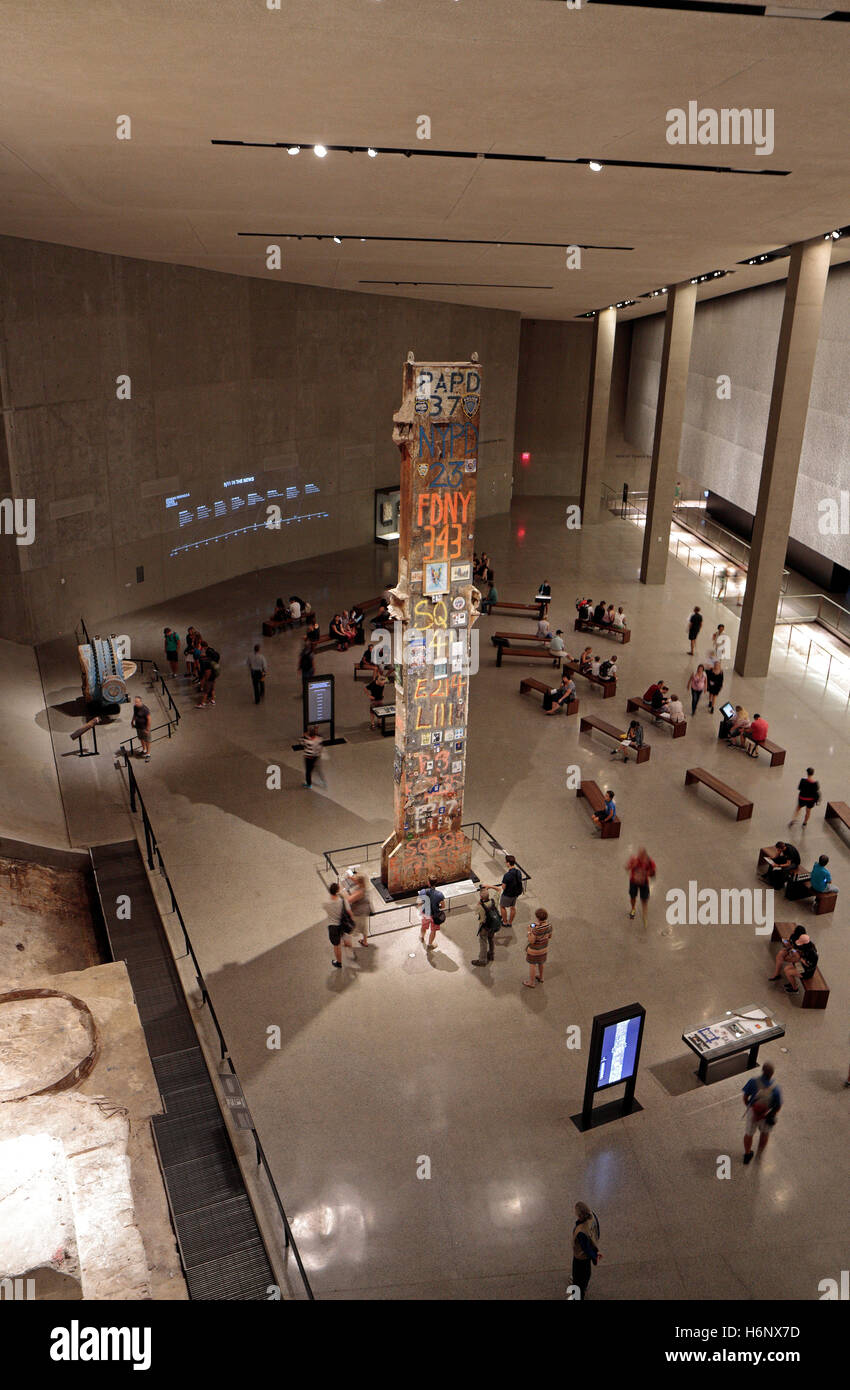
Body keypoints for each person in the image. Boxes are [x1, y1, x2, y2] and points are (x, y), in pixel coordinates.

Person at [742, 1061, 781, 1164]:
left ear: (762, 1071)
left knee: (749, 1134)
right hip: (766, 1114)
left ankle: (747, 1154)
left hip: (753, 1112)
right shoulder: (775, 1089)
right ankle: (759, 1155)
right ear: (772, 1074)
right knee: (764, 1133)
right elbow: (778, 1106)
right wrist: (771, 1114)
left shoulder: (753, 1081)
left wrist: (750, 1108)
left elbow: (745, 1097)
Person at [769, 928, 818, 995]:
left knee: (788, 972)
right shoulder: (805, 947)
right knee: (786, 969)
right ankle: (791, 983)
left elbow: (808, 964)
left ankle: (795, 989)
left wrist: (800, 958)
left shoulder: (812, 953)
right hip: (801, 965)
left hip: (807, 971)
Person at [571, 1203, 601, 1300]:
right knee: (586, 1273)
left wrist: (594, 1256)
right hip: (590, 1252)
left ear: (579, 1215)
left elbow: (585, 1248)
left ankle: (577, 1296)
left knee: (578, 1278)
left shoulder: (581, 1232)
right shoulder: (592, 1215)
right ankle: (584, 1286)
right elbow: (597, 1229)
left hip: (580, 1258)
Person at [471, 884, 501, 967]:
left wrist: (478, 903)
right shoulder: (494, 901)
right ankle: (491, 955)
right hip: (493, 925)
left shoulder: (480, 906)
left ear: (481, 897)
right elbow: (499, 889)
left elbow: (476, 912)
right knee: (491, 939)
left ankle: (482, 960)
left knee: (483, 942)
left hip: (484, 927)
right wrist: (489, 886)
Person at [327, 882, 354, 969]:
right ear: (338, 891)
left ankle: (339, 963)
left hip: (333, 926)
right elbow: (349, 912)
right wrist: (352, 920)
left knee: (336, 945)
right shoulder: (343, 901)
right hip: (344, 924)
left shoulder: (326, 903)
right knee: (346, 939)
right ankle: (351, 953)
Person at [523, 907, 552, 988]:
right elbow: (549, 936)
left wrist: (529, 931)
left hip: (534, 951)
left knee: (532, 965)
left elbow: (532, 941)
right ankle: (541, 977)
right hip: (543, 949)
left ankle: (531, 982)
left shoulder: (536, 929)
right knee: (541, 963)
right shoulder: (549, 926)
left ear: (538, 918)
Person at [626, 847, 656, 925]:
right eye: (639, 855)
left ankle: (644, 915)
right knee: (633, 897)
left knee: (644, 900)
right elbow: (627, 868)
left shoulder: (650, 862)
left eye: (642, 855)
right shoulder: (634, 860)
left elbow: (653, 874)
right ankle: (633, 909)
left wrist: (647, 873)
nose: (640, 857)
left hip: (644, 883)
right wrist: (631, 866)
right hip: (633, 882)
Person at [418, 877, 445, 950]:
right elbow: (443, 906)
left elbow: (419, 904)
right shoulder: (440, 894)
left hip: (425, 914)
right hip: (435, 915)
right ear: (435, 883)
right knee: (433, 930)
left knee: (423, 926)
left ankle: (422, 937)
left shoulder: (422, 891)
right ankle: (430, 944)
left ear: (428, 883)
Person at [346, 870, 371, 947]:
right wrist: (350, 877)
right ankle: (365, 941)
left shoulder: (360, 891)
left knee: (351, 927)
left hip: (358, 912)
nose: (354, 880)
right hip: (364, 911)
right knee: (364, 927)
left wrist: (342, 892)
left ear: (359, 882)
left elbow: (349, 900)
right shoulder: (365, 885)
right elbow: (358, 879)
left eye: (356, 880)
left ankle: (347, 943)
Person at [499, 855, 523, 928]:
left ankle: (505, 922)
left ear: (508, 863)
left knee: (502, 906)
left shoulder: (507, 875)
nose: (505, 863)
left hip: (508, 895)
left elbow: (503, 887)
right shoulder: (518, 872)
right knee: (512, 907)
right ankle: (510, 922)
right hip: (515, 894)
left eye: (506, 862)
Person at [131, 695, 152, 761]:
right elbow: (134, 714)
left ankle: (148, 754)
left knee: (147, 740)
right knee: (141, 738)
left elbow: (149, 719)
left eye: (137, 702)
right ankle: (144, 750)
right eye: (135, 702)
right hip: (138, 727)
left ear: (140, 702)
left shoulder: (145, 709)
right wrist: (132, 721)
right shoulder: (135, 707)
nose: (136, 703)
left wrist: (147, 729)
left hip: (144, 728)